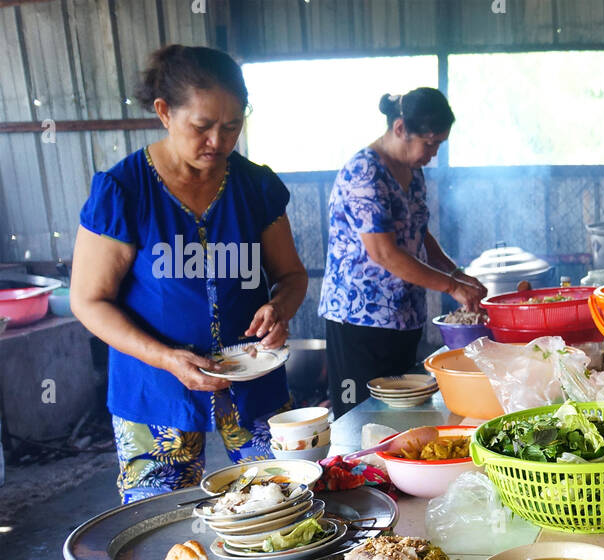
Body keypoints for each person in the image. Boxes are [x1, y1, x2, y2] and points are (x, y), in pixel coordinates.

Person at [71, 45, 308, 503]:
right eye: (202, 126)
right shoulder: (123, 191)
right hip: (155, 389)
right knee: (159, 521)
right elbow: (88, 300)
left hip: (252, 377)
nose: (218, 142)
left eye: (232, 126)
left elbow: (292, 276)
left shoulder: (255, 185)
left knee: (285, 503)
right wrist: (166, 358)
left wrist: (278, 309)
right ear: (164, 112)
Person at [319, 88, 486, 416]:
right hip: (360, 322)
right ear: (399, 129)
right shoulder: (364, 173)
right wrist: (451, 287)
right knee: (361, 417)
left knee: (399, 414)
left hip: (402, 318)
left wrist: (456, 273)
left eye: (439, 144)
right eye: (430, 143)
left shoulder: (413, 171)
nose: (434, 153)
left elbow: (418, 234)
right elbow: (384, 253)